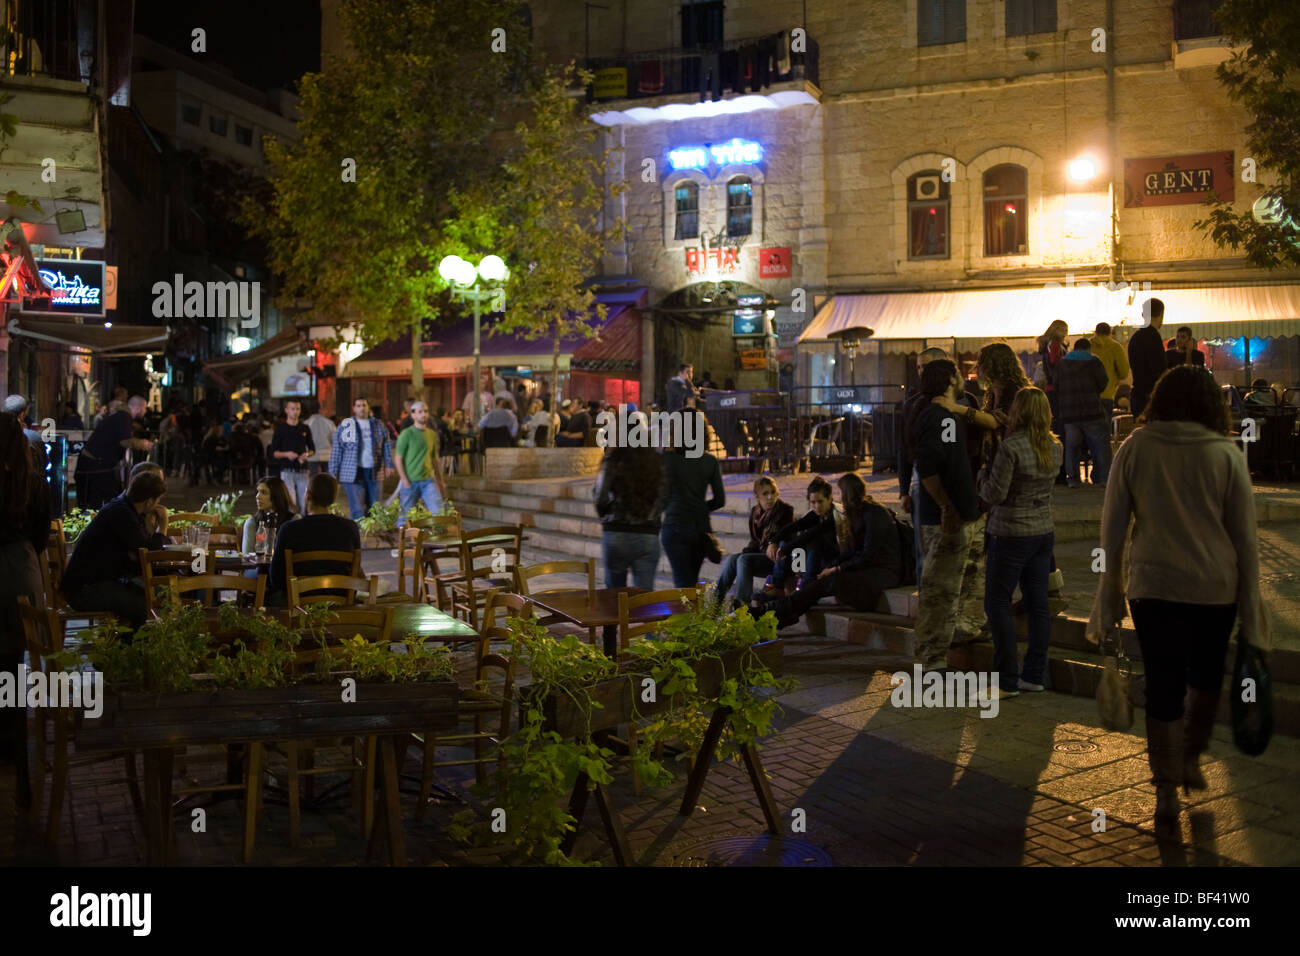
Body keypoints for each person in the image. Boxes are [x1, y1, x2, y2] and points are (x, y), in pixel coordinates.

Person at [1087, 366, 1267, 837]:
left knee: (1163, 683)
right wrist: (1253, 606)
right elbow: (1245, 540)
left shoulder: (1136, 447)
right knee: (1206, 677)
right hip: (1215, 587)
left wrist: (1110, 589)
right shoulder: (1226, 453)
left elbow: (1112, 528)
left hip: (1154, 587)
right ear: (1211, 403)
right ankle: (1190, 755)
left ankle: (1164, 790)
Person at [978, 387, 1063, 697]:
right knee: (1038, 603)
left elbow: (994, 495)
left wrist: (981, 478)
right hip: (1043, 531)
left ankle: (1006, 679)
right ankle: (1034, 674)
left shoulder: (1011, 447)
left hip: (1011, 532)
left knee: (997, 602)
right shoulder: (1055, 447)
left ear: (1019, 412)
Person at [753, 474, 903, 628]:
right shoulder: (858, 513)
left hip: (884, 572)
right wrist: (833, 567)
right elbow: (852, 551)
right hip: (865, 567)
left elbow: (867, 555)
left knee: (825, 581)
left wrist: (837, 568)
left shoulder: (874, 513)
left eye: (840, 493)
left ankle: (773, 612)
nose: (838, 497)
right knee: (821, 578)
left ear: (848, 493)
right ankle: (775, 612)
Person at [912, 360, 984, 674]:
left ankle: (959, 633)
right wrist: (946, 506)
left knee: (960, 581)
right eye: (957, 374)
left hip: (960, 514)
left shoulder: (938, 415)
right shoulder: (940, 418)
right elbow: (928, 467)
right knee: (939, 590)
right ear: (951, 379)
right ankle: (931, 659)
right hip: (946, 519)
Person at [0, 412, 50, 768]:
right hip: (19, 567)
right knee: (14, 662)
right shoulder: (31, 479)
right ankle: (13, 741)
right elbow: (41, 530)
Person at [61, 471, 168, 628]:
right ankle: (129, 649)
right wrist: (163, 526)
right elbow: (148, 553)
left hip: (98, 582)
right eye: (158, 500)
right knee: (141, 605)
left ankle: (128, 646)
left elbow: (139, 552)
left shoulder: (124, 508)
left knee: (149, 594)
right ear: (149, 502)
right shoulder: (122, 513)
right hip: (84, 590)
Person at [267, 473, 362, 603]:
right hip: (341, 600)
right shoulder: (350, 528)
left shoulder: (289, 529)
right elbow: (355, 572)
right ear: (333, 499)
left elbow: (276, 578)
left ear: (308, 496)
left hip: (299, 601)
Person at [899, 347, 950, 586]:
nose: (921, 372)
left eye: (925, 366)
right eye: (918, 367)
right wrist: (903, 489)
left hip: (953, 483)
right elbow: (904, 450)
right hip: (924, 484)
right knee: (924, 548)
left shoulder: (963, 402)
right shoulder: (913, 405)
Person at [660, 409, 725, 587]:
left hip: (674, 525)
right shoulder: (710, 461)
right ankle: (692, 614)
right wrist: (700, 507)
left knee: (682, 584)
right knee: (690, 583)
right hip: (699, 528)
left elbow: (662, 497)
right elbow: (720, 500)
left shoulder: (668, 459)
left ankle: (685, 614)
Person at [594, 444, 666, 591]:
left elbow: (600, 497)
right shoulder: (657, 461)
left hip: (616, 532)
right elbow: (664, 497)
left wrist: (606, 516)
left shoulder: (613, 459)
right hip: (647, 534)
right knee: (644, 599)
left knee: (613, 598)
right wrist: (651, 517)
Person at [715, 476, 794, 607]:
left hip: (776, 559)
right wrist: (743, 554)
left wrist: (772, 543)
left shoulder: (785, 510)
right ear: (757, 496)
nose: (770, 497)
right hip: (760, 555)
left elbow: (785, 535)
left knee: (743, 560)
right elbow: (755, 541)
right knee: (732, 559)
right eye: (765, 493)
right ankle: (715, 603)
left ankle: (741, 606)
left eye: (773, 492)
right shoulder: (755, 512)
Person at [759, 476, 838, 597]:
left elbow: (809, 535)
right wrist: (773, 542)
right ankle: (778, 585)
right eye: (813, 502)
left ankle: (805, 587)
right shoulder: (816, 514)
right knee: (787, 541)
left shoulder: (834, 515)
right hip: (811, 561)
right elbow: (794, 526)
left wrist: (784, 550)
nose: (816, 506)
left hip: (833, 562)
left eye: (820, 501)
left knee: (812, 542)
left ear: (829, 499)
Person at [74, 395, 153, 509]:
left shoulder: (120, 416)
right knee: (108, 501)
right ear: (138, 408)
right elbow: (124, 441)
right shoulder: (124, 417)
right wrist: (142, 444)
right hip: (94, 467)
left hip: (94, 465)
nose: (145, 411)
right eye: (145, 408)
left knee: (108, 499)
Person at [1056, 338, 1111, 488]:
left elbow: (1057, 384)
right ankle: (1103, 477)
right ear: (1088, 348)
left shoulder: (1062, 363)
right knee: (1100, 446)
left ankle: (1073, 479)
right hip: (1092, 410)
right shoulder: (1094, 361)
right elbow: (1103, 382)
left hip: (1069, 413)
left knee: (1072, 447)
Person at [329, 396, 393, 520]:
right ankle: (359, 535)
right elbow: (338, 449)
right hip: (352, 472)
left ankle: (372, 534)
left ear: (368, 407)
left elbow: (386, 444)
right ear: (354, 408)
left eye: (364, 405)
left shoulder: (378, 424)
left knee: (375, 507)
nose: (362, 408)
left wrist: (389, 464)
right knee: (357, 509)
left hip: (374, 471)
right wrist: (333, 471)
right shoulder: (347, 425)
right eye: (358, 406)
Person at [394, 401, 447, 525]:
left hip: (428, 479)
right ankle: (403, 540)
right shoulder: (407, 434)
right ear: (413, 415)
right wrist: (404, 479)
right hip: (410, 480)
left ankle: (438, 538)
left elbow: (434, 458)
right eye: (420, 412)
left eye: (426, 411)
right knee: (404, 516)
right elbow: (398, 458)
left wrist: (440, 479)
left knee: (438, 511)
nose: (424, 414)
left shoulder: (432, 434)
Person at [270, 399, 315, 511]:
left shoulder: (305, 428)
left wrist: (307, 454)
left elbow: (312, 449)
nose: (295, 412)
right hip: (287, 470)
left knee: (305, 502)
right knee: (291, 503)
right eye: (292, 409)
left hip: (303, 469)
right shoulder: (280, 429)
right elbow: (274, 453)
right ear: (287, 410)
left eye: (297, 409)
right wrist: (287, 454)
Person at [1128, 297, 1166, 418]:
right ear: (1161, 314)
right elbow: (1159, 369)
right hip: (1152, 397)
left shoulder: (1135, 338)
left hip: (1138, 396)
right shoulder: (1154, 337)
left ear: (1143, 314)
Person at [241, 476, 297, 553]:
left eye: (264, 492)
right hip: (258, 564)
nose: (257, 496)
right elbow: (246, 556)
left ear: (277, 496)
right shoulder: (252, 523)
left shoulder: (293, 520)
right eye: (257, 492)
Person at [1091, 322, 1130, 418]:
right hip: (1106, 395)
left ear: (1095, 332)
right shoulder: (1116, 347)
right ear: (1110, 333)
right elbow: (1124, 372)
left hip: (1086, 396)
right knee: (1104, 430)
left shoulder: (1087, 345)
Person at [305, 403, 337, 477]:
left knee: (314, 483)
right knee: (328, 482)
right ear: (320, 410)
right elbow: (335, 440)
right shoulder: (329, 423)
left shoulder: (306, 424)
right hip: (328, 457)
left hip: (311, 458)